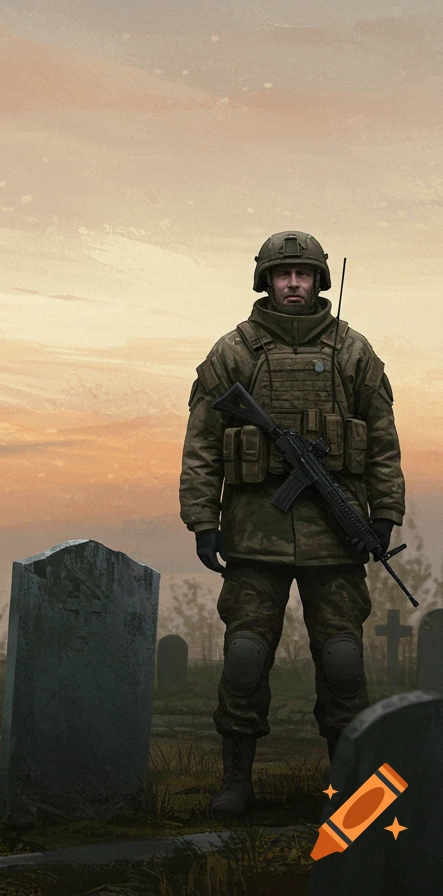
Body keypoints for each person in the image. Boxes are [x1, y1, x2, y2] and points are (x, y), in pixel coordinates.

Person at [179, 230, 405, 817]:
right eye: (284, 275)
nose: (294, 284)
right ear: (266, 281)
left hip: (337, 535)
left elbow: (382, 441)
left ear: (320, 280)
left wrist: (384, 514)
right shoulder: (234, 352)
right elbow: (202, 444)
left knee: (343, 661)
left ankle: (351, 782)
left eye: (304, 275)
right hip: (256, 532)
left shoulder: (352, 352)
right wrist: (203, 520)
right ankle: (235, 779)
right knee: (245, 656)